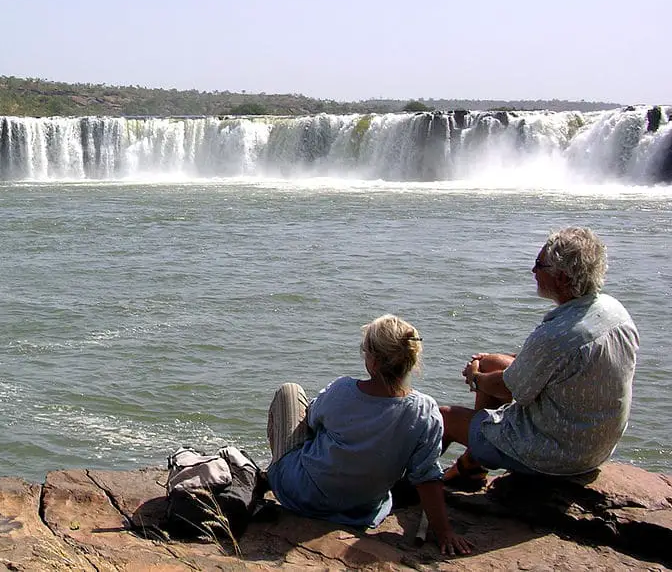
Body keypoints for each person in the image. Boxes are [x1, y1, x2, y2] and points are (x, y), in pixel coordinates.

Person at [440, 227, 639, 484]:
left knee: (444, 417)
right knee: (493, 363)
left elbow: (511, 391)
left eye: (539, 265)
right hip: (596, 446)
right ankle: (472, 465)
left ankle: (414, 488)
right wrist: (491, 365)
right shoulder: (614, 311)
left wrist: (476, 377)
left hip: (556, 454)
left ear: (563, 278)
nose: (533, 271)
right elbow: (557, 362)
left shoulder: (555, 335)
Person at [266, 315, 472, 555]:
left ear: (373, 362)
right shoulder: (425, 410)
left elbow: (310, 420)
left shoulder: (342, 390)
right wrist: (444, 531)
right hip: (361, 510)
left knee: (289, 392)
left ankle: (276, 472)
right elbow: (426, 476)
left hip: (301, 496)